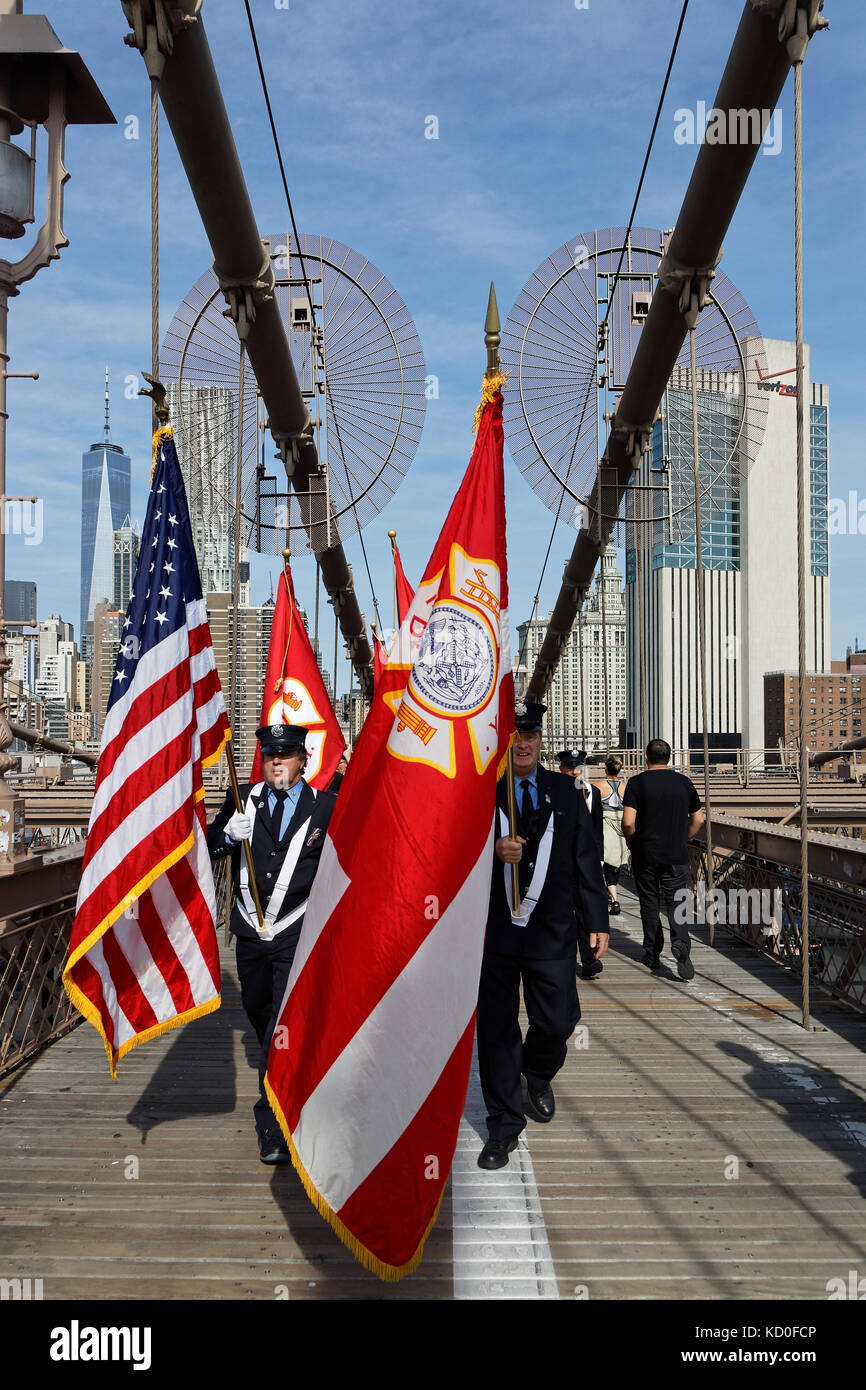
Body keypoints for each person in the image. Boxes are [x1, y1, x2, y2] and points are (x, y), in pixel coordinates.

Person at [476, 704, 610, 1171]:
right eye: (515, 735)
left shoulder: (566, 792)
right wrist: (490, 853)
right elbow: (450, 858)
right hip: (492, 933)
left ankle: (536, 1072)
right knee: (495, 1032)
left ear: (540, 738)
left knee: (557, 1022)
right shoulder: (479, 792)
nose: (524, 743)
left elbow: (585, 859)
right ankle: (503, 1125)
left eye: (530, 734)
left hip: (551, 930)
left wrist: (597, 919)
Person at [207, 723, 336, 1164]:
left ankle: (272, 1123)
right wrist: (227, 834)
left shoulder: (326, 809)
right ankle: (286, 1066)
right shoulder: (242, 799)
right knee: (261, 1012)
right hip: (249, 932)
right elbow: (206, 844)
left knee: (280, 1022)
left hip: (295, 931)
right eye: (268, 756)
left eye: (284, 755)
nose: (275, 762)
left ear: (303, 760)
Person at [621, 738, 705, 981]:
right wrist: (682, 837)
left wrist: (632, 842)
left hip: (645, 854)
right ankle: (681, 944)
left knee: (649, 902)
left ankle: (652, 953)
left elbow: (627, 822)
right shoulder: (684, 783)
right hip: (676, 855)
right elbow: (698, 820)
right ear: (669, 758)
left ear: (646, 758)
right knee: (676, 902)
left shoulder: (636, 783)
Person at [557, 748, 605, 979]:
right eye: (570, 769)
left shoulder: (593, 792)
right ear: (561, 769)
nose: (575, 772)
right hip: (562, 861)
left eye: (578, 769)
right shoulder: (553, 792)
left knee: (585, 908)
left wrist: (600, 858)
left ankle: (588, 958)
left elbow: (597, 829)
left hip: (585, 861)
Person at [596, 754, 629, 917]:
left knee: (601, 862)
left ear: (605, 768)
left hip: (605, 829)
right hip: (621, 831)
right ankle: (614, 898)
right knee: (613, 867)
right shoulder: (626, 787)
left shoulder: (599, 786)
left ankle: (610, 898)